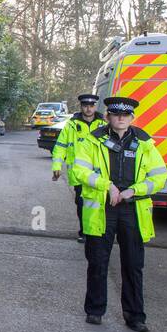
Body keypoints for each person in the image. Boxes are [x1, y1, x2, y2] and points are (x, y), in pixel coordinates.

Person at [71, 95, 167, 332]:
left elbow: (159, 176)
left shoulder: (145, 143)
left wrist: (133, 191)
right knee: (97, 262)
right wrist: (108, 186)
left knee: (133, 265)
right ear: (107, 116)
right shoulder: (92, 141)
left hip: (132, 210)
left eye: (126, 115)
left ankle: (135, 316)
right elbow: (79, 171)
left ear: (132, 118)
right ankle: (95, 310)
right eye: (116, 114)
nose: (121, 118)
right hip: (101, 209)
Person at [52, 94, 103, 242]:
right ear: (81, 107)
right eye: (85, 106)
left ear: (95, 106)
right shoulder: (71, 125)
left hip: (100, 173)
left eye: (91, 105)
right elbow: (60, 146)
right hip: (79, 173)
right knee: (82, 204)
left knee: (99, 203)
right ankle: (85, 232)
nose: (88, 108)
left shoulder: (103, 124)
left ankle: (99, 231)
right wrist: (56, 166)